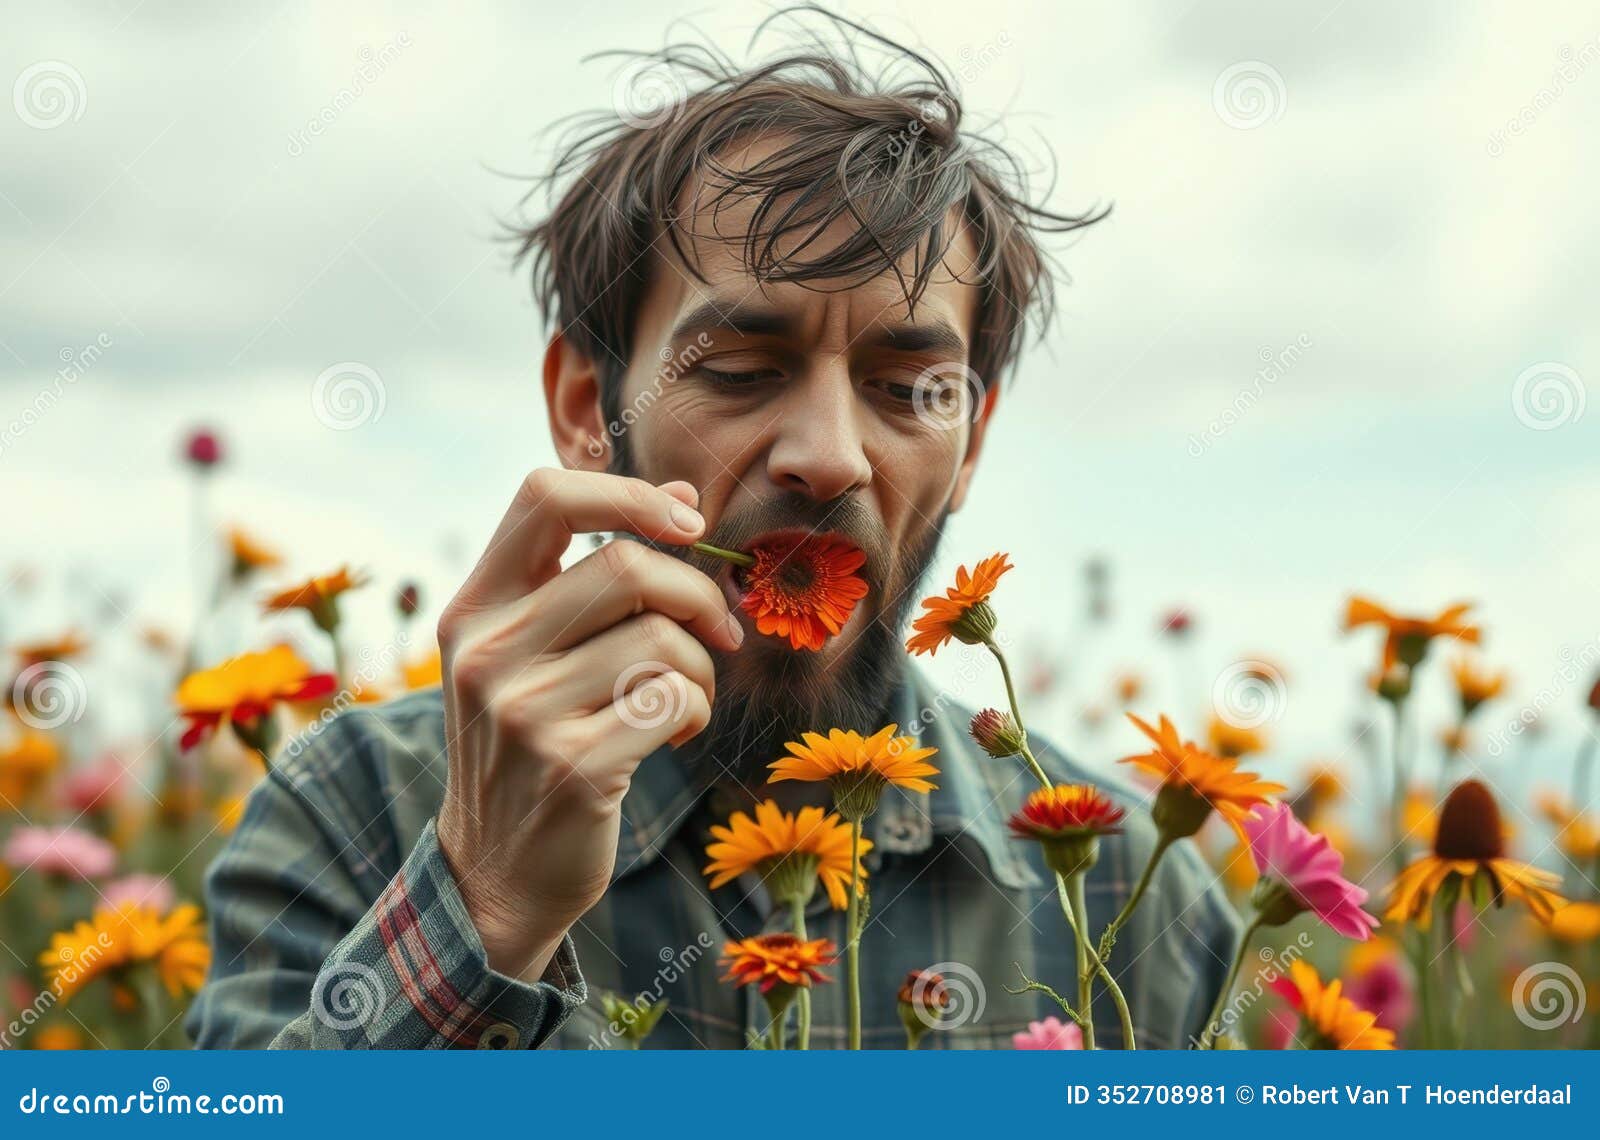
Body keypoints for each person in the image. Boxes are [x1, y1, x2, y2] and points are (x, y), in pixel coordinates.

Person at [188, 9, 1238, 1050]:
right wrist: (488, 902)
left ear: (970, 445)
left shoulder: (1122, 890)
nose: (828, 456)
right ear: (582, 408)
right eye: (738, 371)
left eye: (912, 389)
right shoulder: (358, 805)